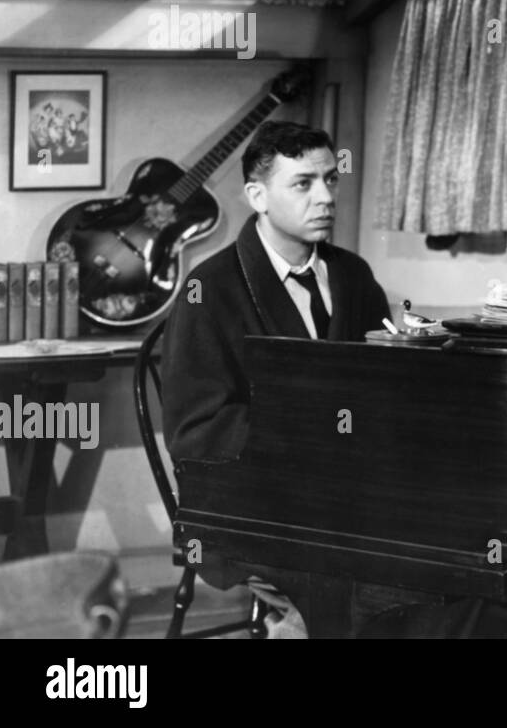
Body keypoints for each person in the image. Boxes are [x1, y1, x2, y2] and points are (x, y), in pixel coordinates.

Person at [162, 120, 390, 636]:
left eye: (331, 179)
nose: (325, 197)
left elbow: (385, 389)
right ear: (257, 196)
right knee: (357, 578)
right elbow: (195, 430)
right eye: (303, 183)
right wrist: (308, 439)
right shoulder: (209, 290)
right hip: (253, 501)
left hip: (354, 494)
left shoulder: (353, 276)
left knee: (462, 569)